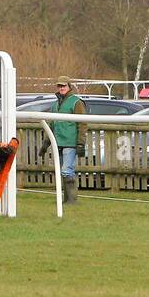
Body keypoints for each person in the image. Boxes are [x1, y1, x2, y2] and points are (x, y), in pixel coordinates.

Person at [38, 76, 87, 204]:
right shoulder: (55, 105)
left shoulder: (77, 102)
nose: (61, 88)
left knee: (67, 170)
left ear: (69, 87)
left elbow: (82, 124)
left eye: (64, 86)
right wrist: (46, 144)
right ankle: (67, 200)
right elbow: (52, 126)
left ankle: (72, 200)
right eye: (59, 86)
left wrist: (81, 143)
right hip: (57, 143)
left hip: (70, 143)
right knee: (61, 171)